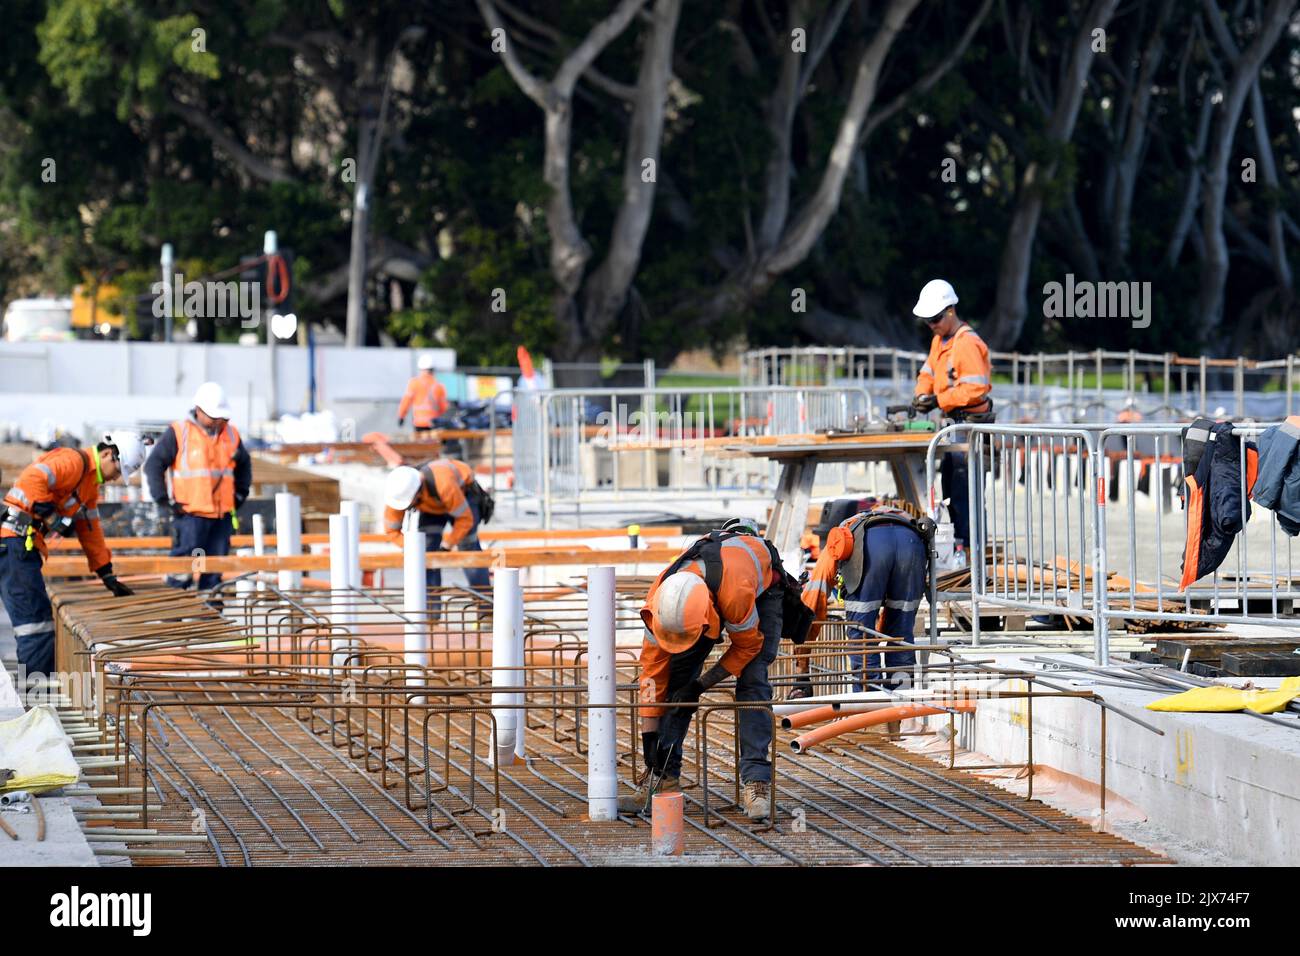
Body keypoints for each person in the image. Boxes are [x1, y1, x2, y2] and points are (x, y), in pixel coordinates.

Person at [621, 518, 787, 820]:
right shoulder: (658, 603)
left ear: (708, 618)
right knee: (674, 685)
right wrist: (649, 740)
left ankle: (757, 782)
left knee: (752, 682)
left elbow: (746, 647)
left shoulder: (736, 591)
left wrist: (701, 684)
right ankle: (662, 778)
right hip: (705, 596)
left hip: (761, 596)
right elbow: (651, 678)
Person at [0, 433, 145, 678]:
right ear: (108, 454)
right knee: (36, 627)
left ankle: (37, 692)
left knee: (37, 624)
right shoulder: (73, 461)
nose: (116, 477)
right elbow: (34, 478)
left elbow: (91, 532)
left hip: (21, 545)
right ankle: (38, 698)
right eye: (119, 470)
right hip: (15, 543)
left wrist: (105, 572)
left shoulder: (88, 486)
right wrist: (51, 516)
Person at [796, 504, 933, 697]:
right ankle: (901, 708)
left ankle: (869, 708)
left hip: (871, 548)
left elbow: (812, 600)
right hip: (912, 544)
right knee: (901, 635)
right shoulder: (900, 520)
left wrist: (802, 664)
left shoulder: (843, 537)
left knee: (862, 636)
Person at [145, 382, 252, 591]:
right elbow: (154, 465)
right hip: (191, 517)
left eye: (220, 417)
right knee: (185, 566)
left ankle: (209, 613)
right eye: (213, 416)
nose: (218, 421)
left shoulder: (230, 434)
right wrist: (163, 500)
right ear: (199, 410)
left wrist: (239, 495)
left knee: (213, 570)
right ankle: (176, 612)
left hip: (220, 518)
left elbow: (244, 467)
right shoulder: (180, 432)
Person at [911, 279, 992, 550]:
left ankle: (971, 550)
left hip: (969, 428)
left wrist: (938, 399)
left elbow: (976, 388)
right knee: (952, 491)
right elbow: (928, 372)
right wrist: (922, 395)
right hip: (954, 426)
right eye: (927, 321)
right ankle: (959, 547)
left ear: (950, 311)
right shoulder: (940, 341)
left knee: (965, 494)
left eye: (935, 319)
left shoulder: (966, 343)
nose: (931, 325)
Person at [382, 459, 492, 591]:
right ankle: (431, 607)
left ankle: (485, 605)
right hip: (431, 506)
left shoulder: (444, 484)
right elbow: (391, 531)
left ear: (418, 492)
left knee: (468, 547)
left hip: (462, 495)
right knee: (425, 554)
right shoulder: (398, 494)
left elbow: (465, 520)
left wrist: (447, 545)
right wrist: (413, 547)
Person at [398, 354, 449, 437]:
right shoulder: (439, 386)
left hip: (419, 423)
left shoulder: (414, 383)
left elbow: (406, 402)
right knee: (433, 447)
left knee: (420, 447)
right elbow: (443, 408)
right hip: (434, 423)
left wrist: (401, 416)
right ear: (433, 369)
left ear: (421, 369)